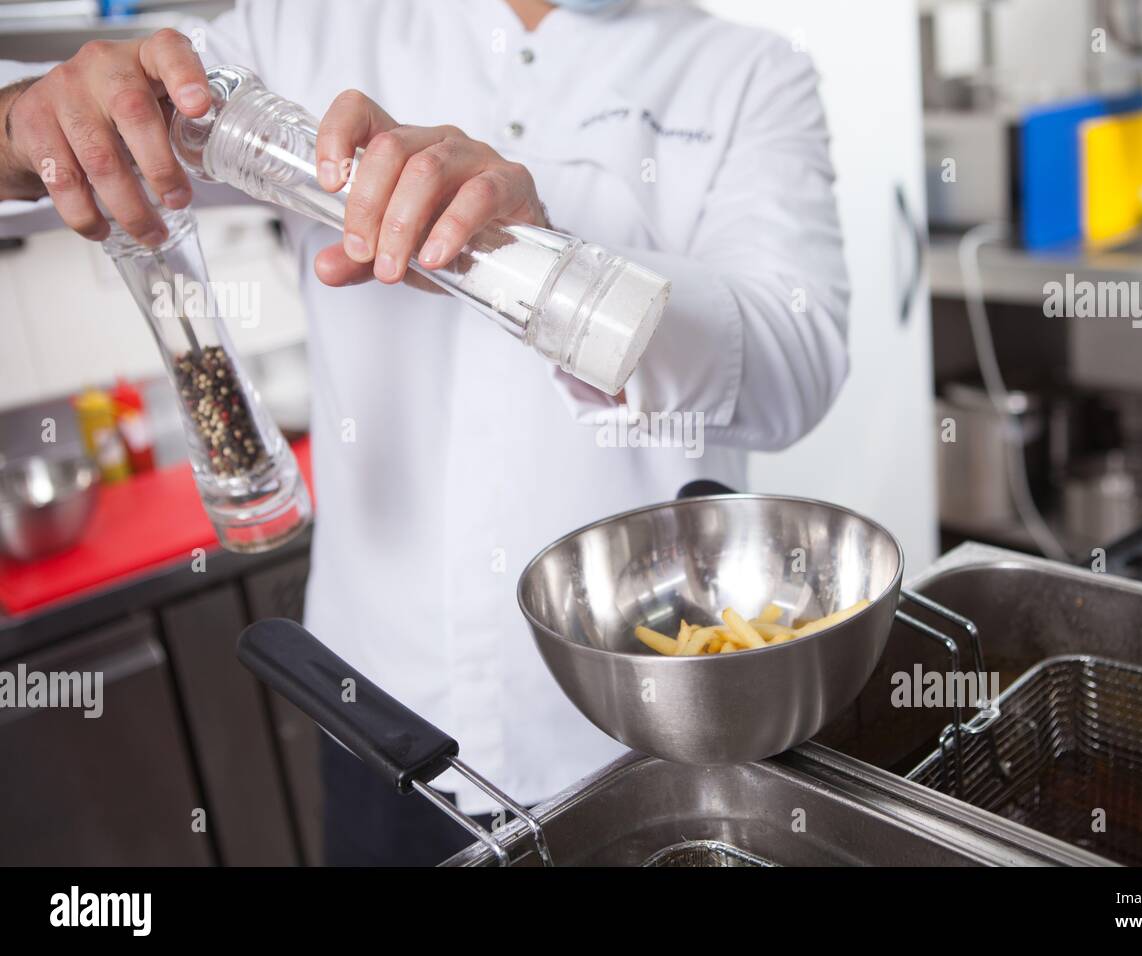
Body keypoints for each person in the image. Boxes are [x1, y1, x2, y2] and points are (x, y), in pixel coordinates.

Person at [0, 0, 849, 864]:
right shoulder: (308, 27)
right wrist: (29, 115)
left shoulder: (747, 70)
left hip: (645, 739)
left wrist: (546, 262)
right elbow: (55, 158)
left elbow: (799, 360)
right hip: (380, 729)